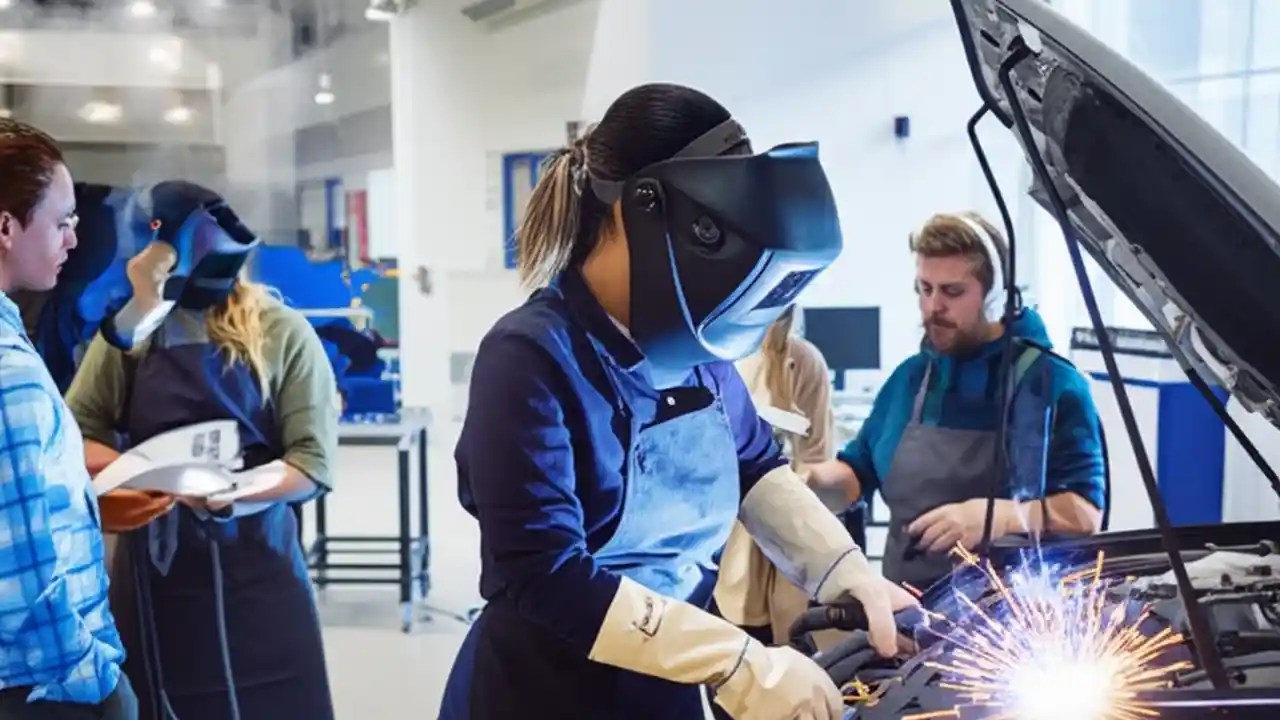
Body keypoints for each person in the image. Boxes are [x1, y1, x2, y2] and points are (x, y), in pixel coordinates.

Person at [439, 83, 916, 720]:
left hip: (671, 676)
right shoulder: (528, 358)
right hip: (543, 690)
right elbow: (544, 573)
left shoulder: (695, 350)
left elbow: (754, 468)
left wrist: (844, 571)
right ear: (638, 212)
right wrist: (738, 661)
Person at [63, 180, 339, 720]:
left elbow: (311, 460)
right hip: (159, 567)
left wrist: (238, 493)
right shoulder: (131, 334)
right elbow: (75, 431)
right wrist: (143, 474)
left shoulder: (283, 334)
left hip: (261, 563)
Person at [808, 212, 1107, 592]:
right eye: (925, 288)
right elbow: (857, 474)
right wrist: (803, 481)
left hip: (1007, 622)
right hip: (906, 615)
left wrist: (997, 516)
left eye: (952, 292)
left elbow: (1084, 513)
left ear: (995, 295)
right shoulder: (910, 379)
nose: (934, 307)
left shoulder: (1052, 385)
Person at [0, 119, 137, 718]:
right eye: (62, 222)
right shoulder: (8, 372)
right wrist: (92, 678)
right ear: (6, 227)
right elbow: (19, 566)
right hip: (44, 687)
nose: (73, 241)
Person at [717, 305, 840, 645]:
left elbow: (816, 462)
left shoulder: (800, 363)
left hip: (772, 558)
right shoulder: (705, 353)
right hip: (710, 558)